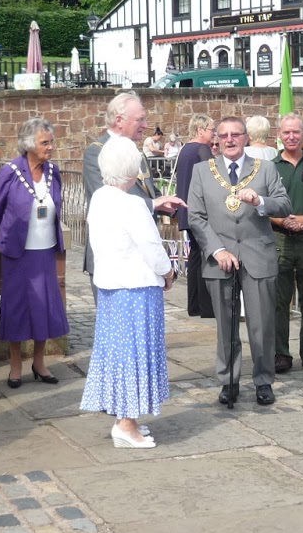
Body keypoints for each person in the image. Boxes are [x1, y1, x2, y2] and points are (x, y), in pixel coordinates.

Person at [188, 116, 292, 407]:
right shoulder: (202, 171)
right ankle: (228, 381)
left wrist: (260, 201)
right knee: (225, 325)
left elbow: (284, 204)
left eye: (236, 134)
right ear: (216, 140)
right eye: (224, 135)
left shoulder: (266, 168)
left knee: (261, 323)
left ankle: (263, 380)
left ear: (246, 138)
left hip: (258, 254)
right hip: (220, 257)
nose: (230, 140)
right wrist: (217, 250)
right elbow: (196, 216)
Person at [81, 136, 176, 447]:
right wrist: (167, 271)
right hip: (136, 288)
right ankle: (126, 423)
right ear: (133, 170)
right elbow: (151, 246)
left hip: (111, 287)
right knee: (135, 354)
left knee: (118, 354)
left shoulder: (99, 198)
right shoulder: (132, 203)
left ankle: (124, 418)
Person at [0, 117, 69, 387]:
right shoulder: (10, 172)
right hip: (18, 255)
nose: (51, 147)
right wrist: (1, 240)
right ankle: (14, 366)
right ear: (28, 144)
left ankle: (39, 362)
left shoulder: (53, 172)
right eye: (45, 142)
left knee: (44, 307)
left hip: (45, 252)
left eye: (52, 141)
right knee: (17, 309)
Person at [81, 91, 185, 277]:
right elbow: (109, 200)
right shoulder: (97, 152)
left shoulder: (133, 150)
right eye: (140, 120)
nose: (146, 125)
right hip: (114, 257)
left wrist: (166, 202)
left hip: (142, 257)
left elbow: (146, 190)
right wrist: (154, 204)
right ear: (120, 120)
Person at [269, 113, 303, 375]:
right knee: (278, 301)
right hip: (278, 239)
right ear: (278, 135)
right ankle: (280, 353)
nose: (291, 137)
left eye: (296, 132)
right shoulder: (270, 167)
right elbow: (260, 204)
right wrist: (281, 221)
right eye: (286, 132)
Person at [171, 114, 216, 320]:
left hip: (186, 210)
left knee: (195, 257)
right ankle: (206, 307)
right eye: (211, 130)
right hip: (200, 211)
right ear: (200, 130)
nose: (214, 134)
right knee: (206, 257)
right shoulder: (202, 149)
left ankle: (194, 305)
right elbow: (213, 177)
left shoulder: (184, 150)